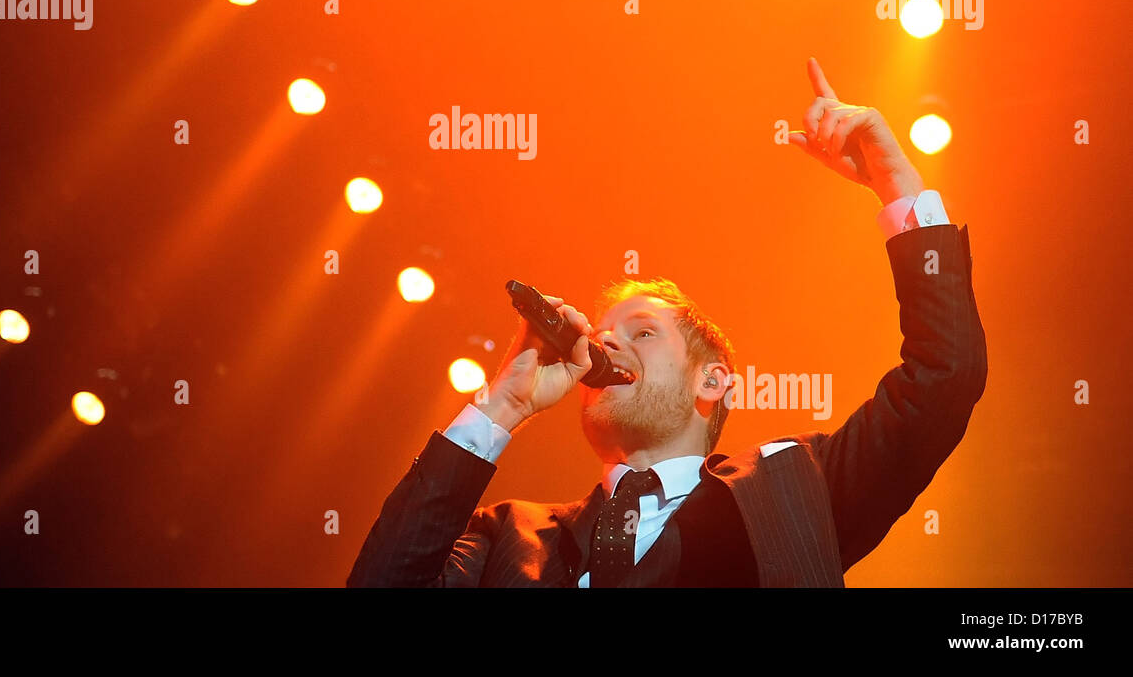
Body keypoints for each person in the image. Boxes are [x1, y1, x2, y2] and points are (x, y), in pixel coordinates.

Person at [347, 58, 987, 587]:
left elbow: (944, 377)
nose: (605, 342)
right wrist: (500, 407)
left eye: (643, 332)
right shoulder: (508, 536)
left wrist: (894, 182)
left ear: (712, 382)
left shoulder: (796, 487)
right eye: (604, 333)